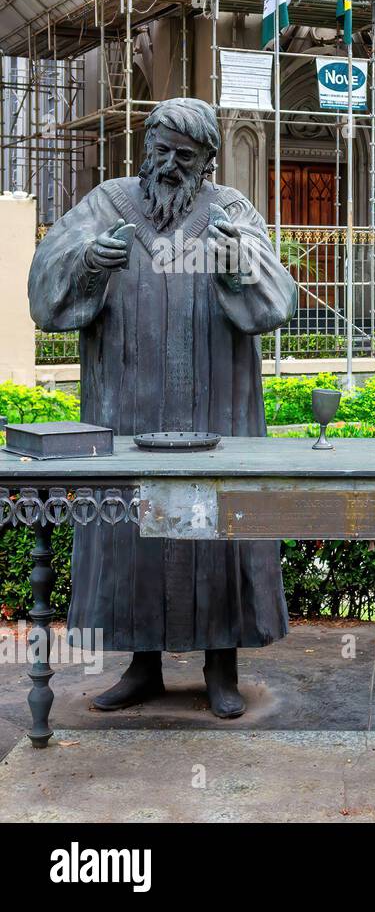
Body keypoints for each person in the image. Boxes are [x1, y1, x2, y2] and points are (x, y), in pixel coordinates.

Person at [28, 97, 297, 718]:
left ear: (207, 161)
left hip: (217, 405)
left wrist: (238, 266)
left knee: (218, 531)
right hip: (128, 402)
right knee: (132, 533)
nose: (168, 165)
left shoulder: (230, 210)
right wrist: (87, 263)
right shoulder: (107, 201)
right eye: (159, 151)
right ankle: (140, 667)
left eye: (184, 155)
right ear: (144, 149)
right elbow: (48, 282)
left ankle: (221, 669)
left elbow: (275, 299)